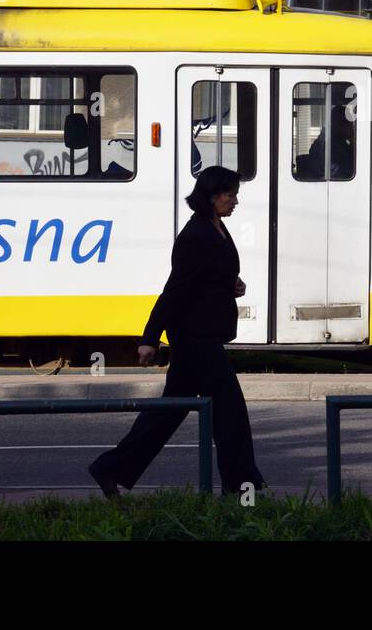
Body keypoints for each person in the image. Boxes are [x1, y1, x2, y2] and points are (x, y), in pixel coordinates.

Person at [89, 165, 266, 498]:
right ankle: (241, 486)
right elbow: (174, 290)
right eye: (230, 194)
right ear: (212, 196)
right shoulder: (196, 235)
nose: (235, 201)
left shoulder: (215, 228)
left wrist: (230, 284)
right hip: (195, 338)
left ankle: (110, 468)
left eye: (235, 194)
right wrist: (149, 339)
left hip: (204, 335)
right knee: (230, 410)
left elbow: (208, 276)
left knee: (168, 412)